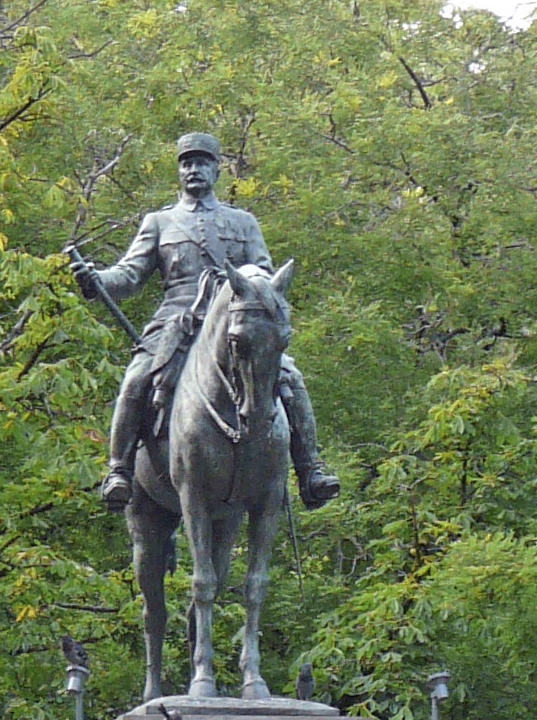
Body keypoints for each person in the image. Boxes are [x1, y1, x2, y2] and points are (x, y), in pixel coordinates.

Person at [70, 130, 339, 514]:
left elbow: (263, 275)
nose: (194, 170)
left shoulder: (243, 222)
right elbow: (129, 275)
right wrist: (97, 280)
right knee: (138, 376)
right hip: (176, 321)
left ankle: (310, 468)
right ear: (180, 172)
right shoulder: (160, 222)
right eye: (187, 163)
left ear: (217, 170)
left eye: (202, 163)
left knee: (289, 377)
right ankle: (119, 470)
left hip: (235, 319)